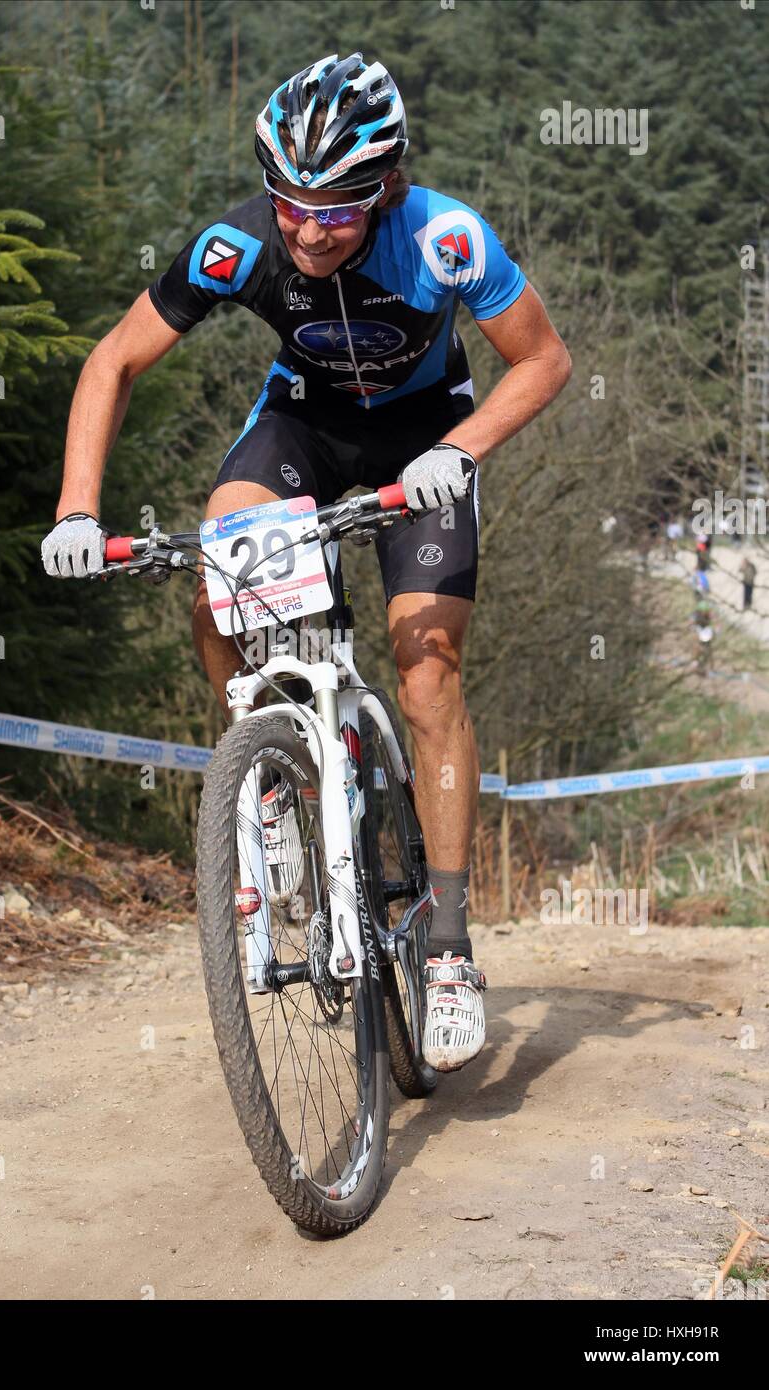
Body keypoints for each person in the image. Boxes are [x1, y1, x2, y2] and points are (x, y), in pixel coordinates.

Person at [41, 53, 571, 1072]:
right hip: (302, 428)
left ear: (387, 188)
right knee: (220, 573)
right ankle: (275, 782)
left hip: (425, 440)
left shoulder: (446, 239)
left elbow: (543, 360)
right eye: (292, 203)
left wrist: (457, 454)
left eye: (337, 207)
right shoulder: (238, 244)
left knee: (426, 677)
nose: (309, 228)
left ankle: (451, 946)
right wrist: (76, 509)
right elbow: (112, 361)